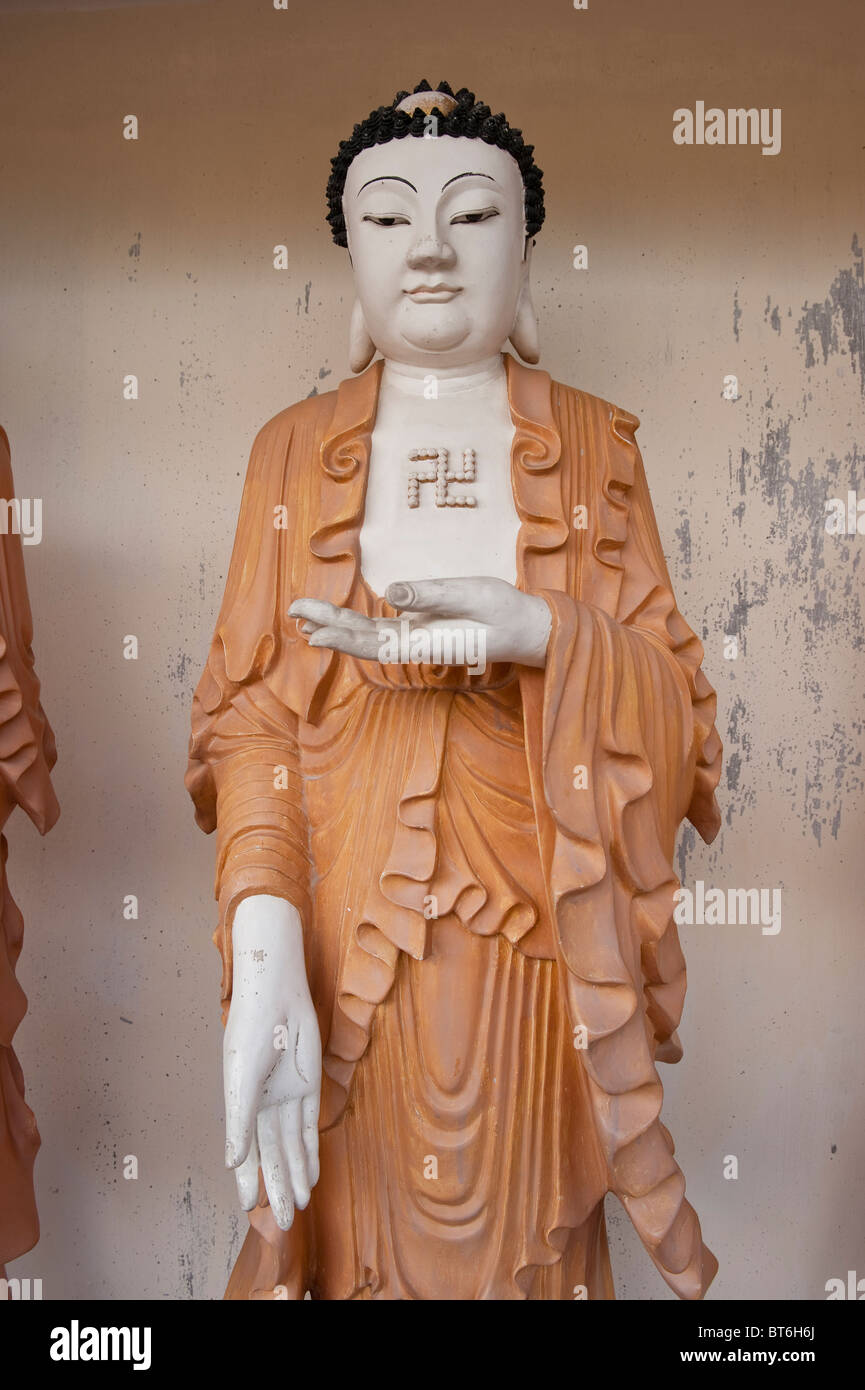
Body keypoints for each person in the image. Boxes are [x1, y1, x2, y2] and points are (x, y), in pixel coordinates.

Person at [186, 81, 722, 1300]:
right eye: (387, 219)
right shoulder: (289, 450)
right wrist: (265, 931)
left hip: (542, 934)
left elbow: (681, 724)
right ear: (351, 265)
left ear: (522, 260)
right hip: (339, 935)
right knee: (347, 1247)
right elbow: (251, 717)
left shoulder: (593, 450)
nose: (428, 247)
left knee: (532, 1253)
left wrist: (544, 630)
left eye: (472, 214)